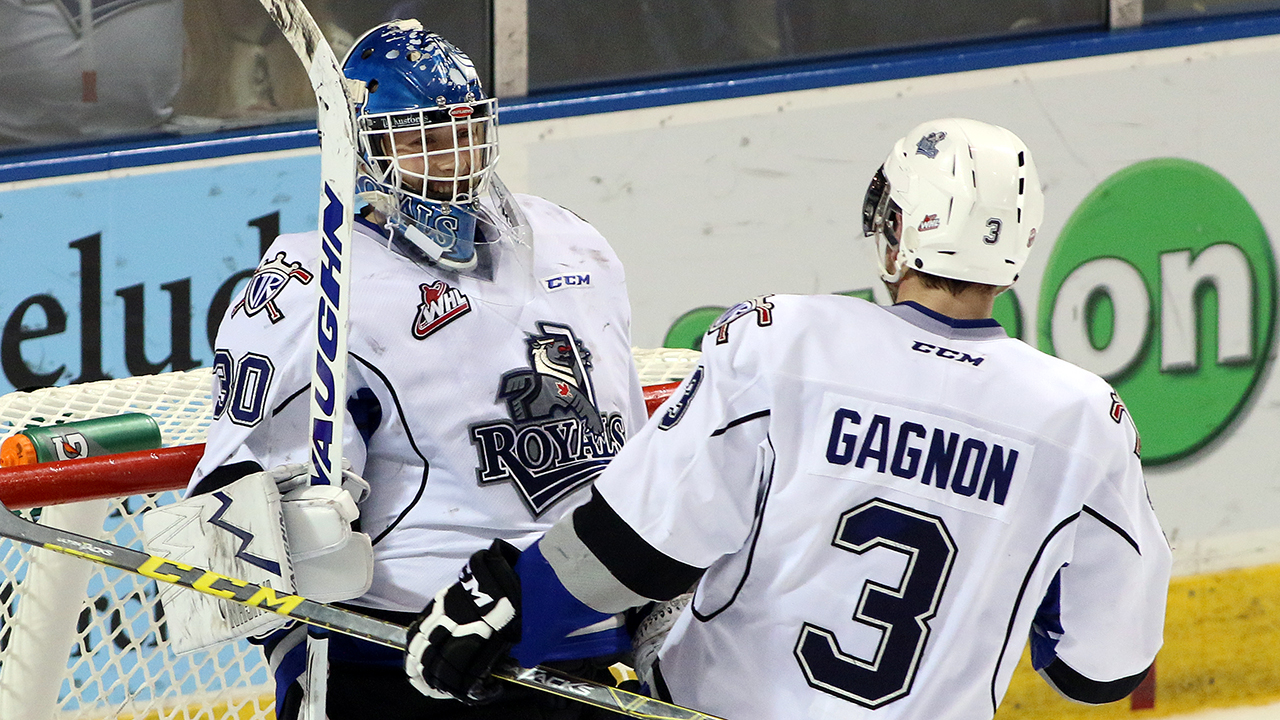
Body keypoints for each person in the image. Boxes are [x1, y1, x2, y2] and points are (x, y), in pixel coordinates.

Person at [402, 118, 1173, 720]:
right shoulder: (1081, 420)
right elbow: (1098, 671)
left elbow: (634, 548)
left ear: (898, 227)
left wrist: (506, 607)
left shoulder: (788, 342)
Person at [179, 19, 645, 720]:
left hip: (580, 635)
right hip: (407, 660)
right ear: (361, 148)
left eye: (463, 131)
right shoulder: (315, 286)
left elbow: (631, 444)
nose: (452, 158)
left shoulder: (572, 243)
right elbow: (226, 504)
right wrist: (296, 547)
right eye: (421, 138)